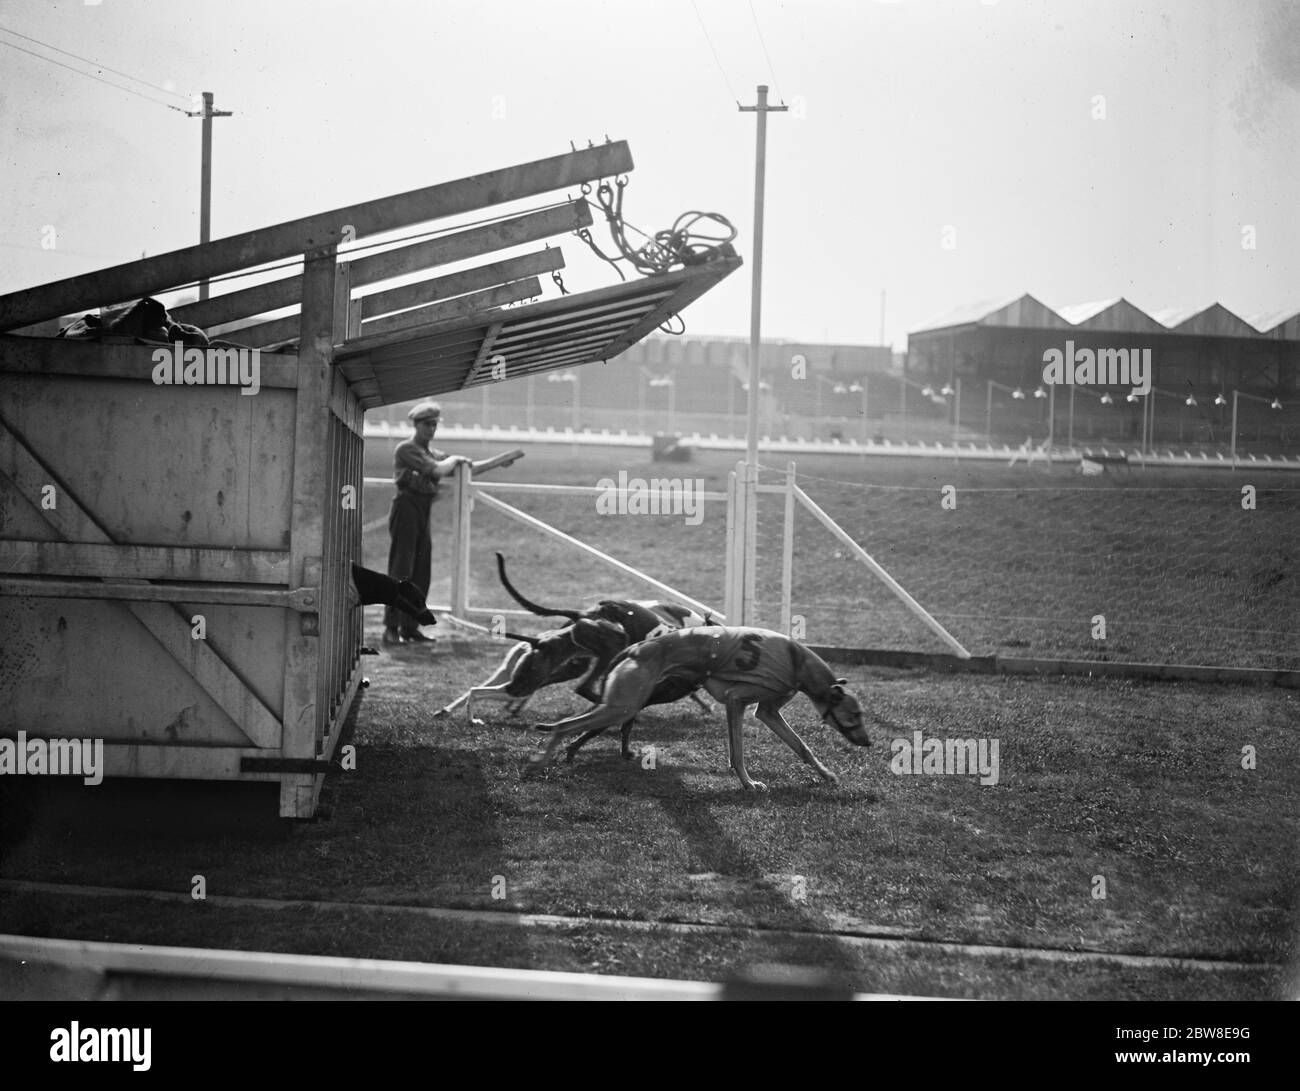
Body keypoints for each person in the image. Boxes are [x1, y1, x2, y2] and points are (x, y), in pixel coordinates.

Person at [384, 401, 521, 646]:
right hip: (406, 508)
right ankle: (391, 628)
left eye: (434, 425)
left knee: (421, 571)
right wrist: (457, 458)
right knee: (401, 569)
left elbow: (465, 470)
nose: (431, 429)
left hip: (423, 510)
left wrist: (498, 462)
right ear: (416, 425)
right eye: (427, 424)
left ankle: (410, 626)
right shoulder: (407, 449)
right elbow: (437, 470)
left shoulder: (433, 452)